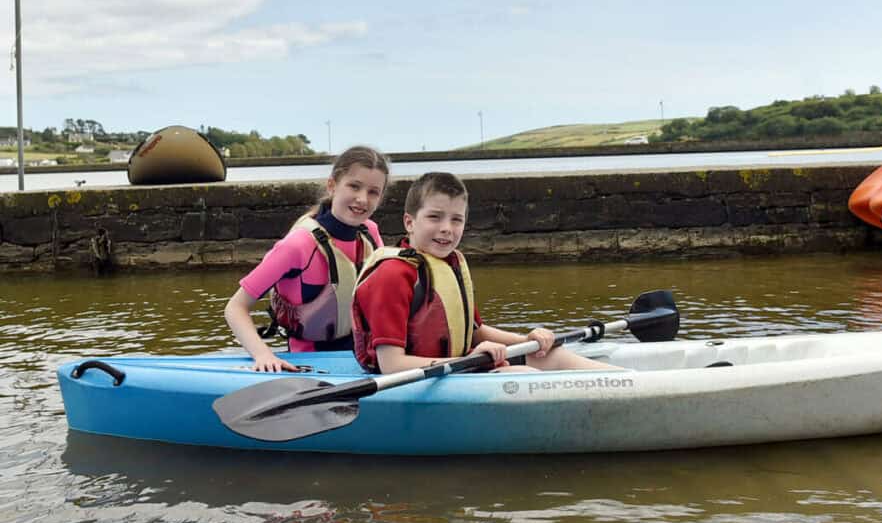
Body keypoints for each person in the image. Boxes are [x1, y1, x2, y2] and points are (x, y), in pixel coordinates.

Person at [350, 171, 620, 374]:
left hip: (462, 366)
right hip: (419, 380)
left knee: (551, 357)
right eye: (435, 217)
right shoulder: (393, 275)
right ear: (409, 222)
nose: (447, 228)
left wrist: (525, 340)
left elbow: (475, 332)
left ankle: (632, 382)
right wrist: (470, 360)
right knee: (524, 375)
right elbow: (392, 365)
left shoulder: (450, 263)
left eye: (457, 220)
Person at [225, 145, 390, 372]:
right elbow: (235, 307)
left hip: (361, 358)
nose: (362, 199)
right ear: (332, 186)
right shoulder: (298, 245)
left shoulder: (370, 233)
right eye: (354, 186)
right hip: (311, 363)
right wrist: (263, 355)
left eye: (373, 192)